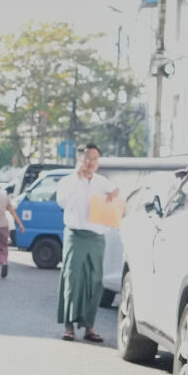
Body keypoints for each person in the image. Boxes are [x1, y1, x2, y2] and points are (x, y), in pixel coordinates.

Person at [55, 143, 119, 343]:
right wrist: (79, 181)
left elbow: (114, 203)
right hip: (76, 234)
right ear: (80, 160)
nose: (91, 162)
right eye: (87, 158)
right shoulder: (68, 181)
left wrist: (114, 195)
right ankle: (69, 326)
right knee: (72, 278)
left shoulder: (103, 182)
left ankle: (89, 326)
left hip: (96, 237)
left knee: (96, 280)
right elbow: (63, 203)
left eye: (95, 159)